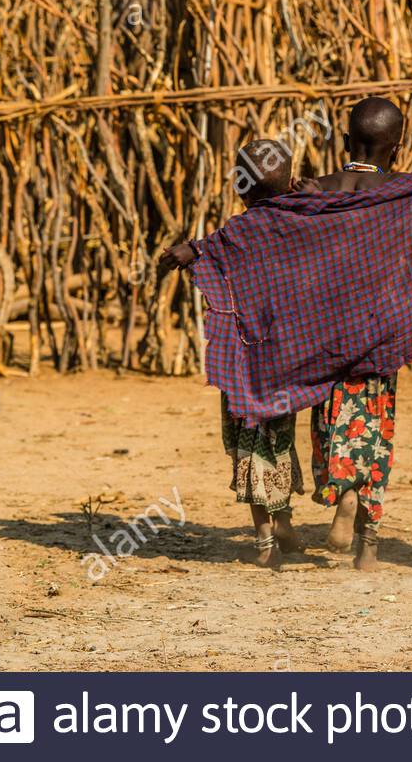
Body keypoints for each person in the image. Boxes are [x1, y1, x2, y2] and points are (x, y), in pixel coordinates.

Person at [159, 141, 303, 569]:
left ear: (241, 189)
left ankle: (266, 546)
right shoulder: (302, 225)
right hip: (289, 363)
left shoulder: (236, 233)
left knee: (251, 447)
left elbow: (198, 251)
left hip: (247, 368)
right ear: (291, 183)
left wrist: (183, 252)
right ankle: (286, 526)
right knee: (278, 441)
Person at [304, 96, 405, 572]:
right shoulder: (406, 192)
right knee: (374, 428)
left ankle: (339, 488)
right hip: (380, 333)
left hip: (326, 331)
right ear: (398, 147)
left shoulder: (317, 190)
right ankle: (368, 545)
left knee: (332, 419)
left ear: (345, 141)